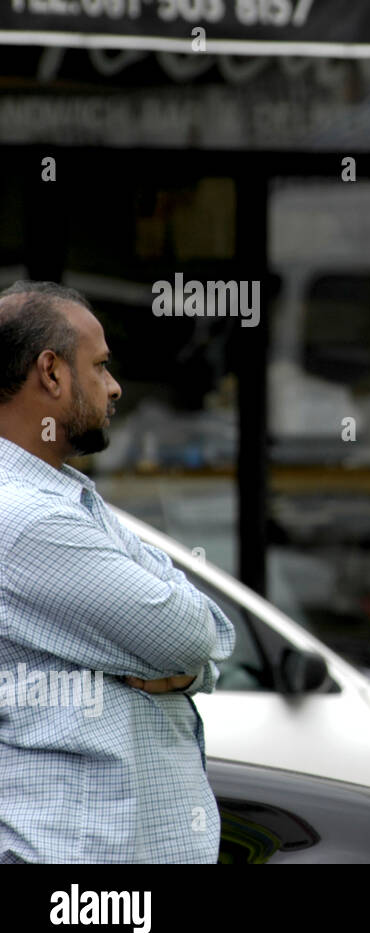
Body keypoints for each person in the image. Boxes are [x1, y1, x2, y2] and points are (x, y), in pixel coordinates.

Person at [0, 281, 234, 863]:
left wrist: (185, 671)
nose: (115, 386)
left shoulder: (62, 498)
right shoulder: (25, 518)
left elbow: (204, 634)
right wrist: (187, 662)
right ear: (50, 373)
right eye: (100, 367)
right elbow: (192, 633)